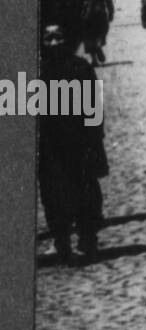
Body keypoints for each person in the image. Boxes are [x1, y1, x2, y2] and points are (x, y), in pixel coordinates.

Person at [37, 24, 109, 264]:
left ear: (67, 40)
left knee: (84, 194)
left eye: (59, 37)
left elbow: (94, 107)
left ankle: (87, 239)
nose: (55, 43)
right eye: (49, 39)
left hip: (79, 144)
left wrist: (94, 141)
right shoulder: (37, 71)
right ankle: (61, 241)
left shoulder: (81, 67)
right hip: (50, 147)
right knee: (52, 196)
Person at [77, 0, 115, 66]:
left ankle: (94, 59)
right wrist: (111, 12)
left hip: (87, 11)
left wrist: (78, 13)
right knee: (101, 31)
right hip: (100, 10)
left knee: (89, 35)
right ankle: (98, 45)